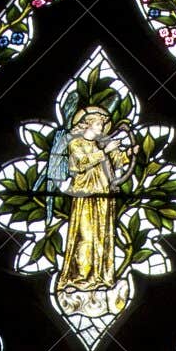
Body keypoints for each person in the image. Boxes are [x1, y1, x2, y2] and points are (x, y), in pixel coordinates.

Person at [55, 105, 132, 302]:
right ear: (88, 124)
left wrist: (128, 154)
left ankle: (100, 277)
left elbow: (114, 162)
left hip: (104, 195)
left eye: (103, 124)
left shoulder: (101, 142)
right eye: (99, 123)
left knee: (102, 238)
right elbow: (80, 164)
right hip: (85, 196)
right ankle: (78, 278)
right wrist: (104, 150)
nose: (102, 127)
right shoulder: (76, 143)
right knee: (85, 236)